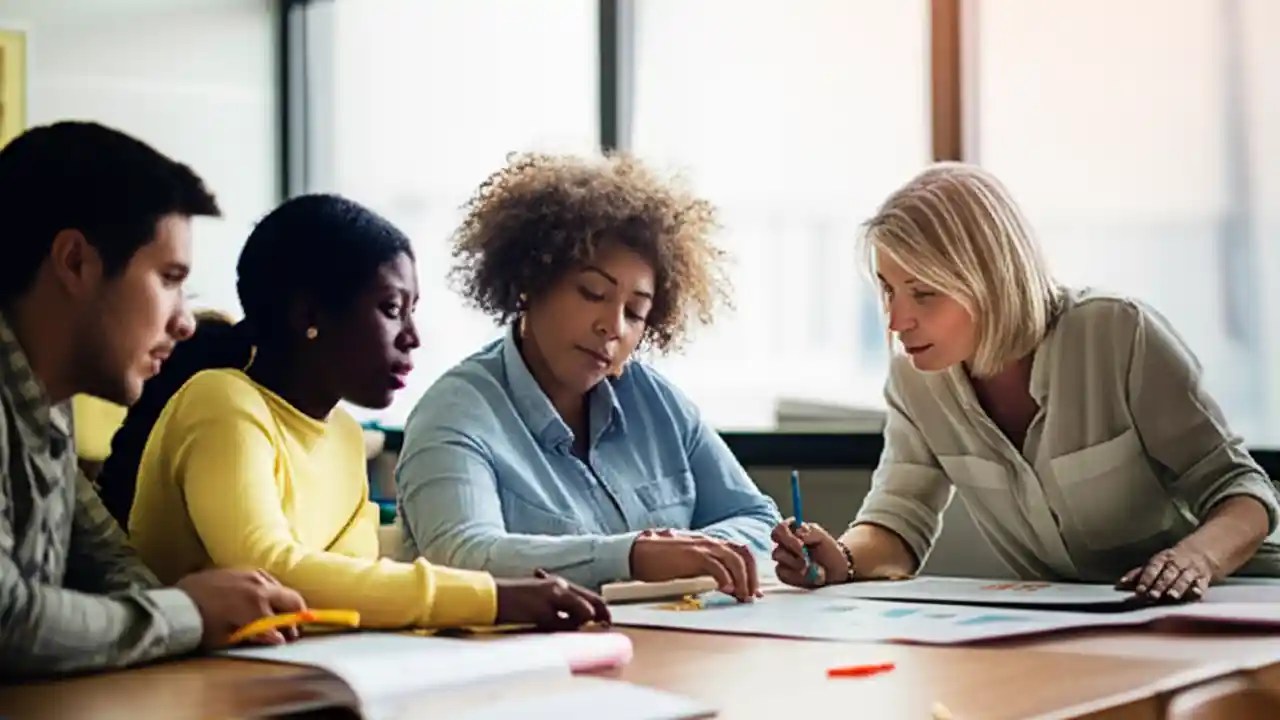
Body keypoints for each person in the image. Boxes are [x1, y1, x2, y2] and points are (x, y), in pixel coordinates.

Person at [772, 162, 1280, 603]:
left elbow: (1242, 488)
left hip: (1228, 601)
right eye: (887, 291)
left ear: (989, 279)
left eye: (924, 293)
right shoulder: (915, 377)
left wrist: (1193, 560)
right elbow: (898, 519)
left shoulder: (1117, 334)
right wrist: (838, 558)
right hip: (1087, 626)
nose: (896, 320)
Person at [125, 194, 609, 632]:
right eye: (391, 308)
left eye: (412, 311)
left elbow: (346, 589)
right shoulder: (223, 402)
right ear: (308, 316)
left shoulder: (345, 435)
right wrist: (492, 598)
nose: (412, 336)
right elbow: (271, 569)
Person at [396, 153, 780, 602]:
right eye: (592, 293)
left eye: (636, 312)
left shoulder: (655, 403)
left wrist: (694, 552)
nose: (613, 327)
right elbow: (462, 557)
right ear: (531, 282)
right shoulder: (455, 413)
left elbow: (757, 518)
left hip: (664, 652)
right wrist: (632, 557)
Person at [0, 121, 306, 677]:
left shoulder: (47, 406)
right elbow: (7, 623)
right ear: (75, 262)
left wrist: (207, 615)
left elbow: (106, 559)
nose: (186, 322)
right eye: (168, 279)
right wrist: (188, 612)